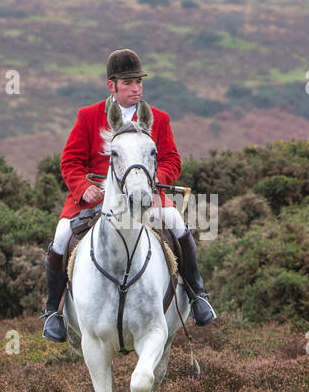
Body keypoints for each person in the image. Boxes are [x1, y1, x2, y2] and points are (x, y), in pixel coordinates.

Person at [41, 48, 216, 342]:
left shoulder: (158, 118)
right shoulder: (88, 116)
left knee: (178, 224)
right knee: (60, 238)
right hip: (98, 199)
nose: (136, 89)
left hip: (147, 196)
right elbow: (70, 161)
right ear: (112, 86)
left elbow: (172, 160)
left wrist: (153, 180)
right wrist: (83, 189)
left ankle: (198, 295)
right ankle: (53, 313)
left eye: (139, 82)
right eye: (128, 83)